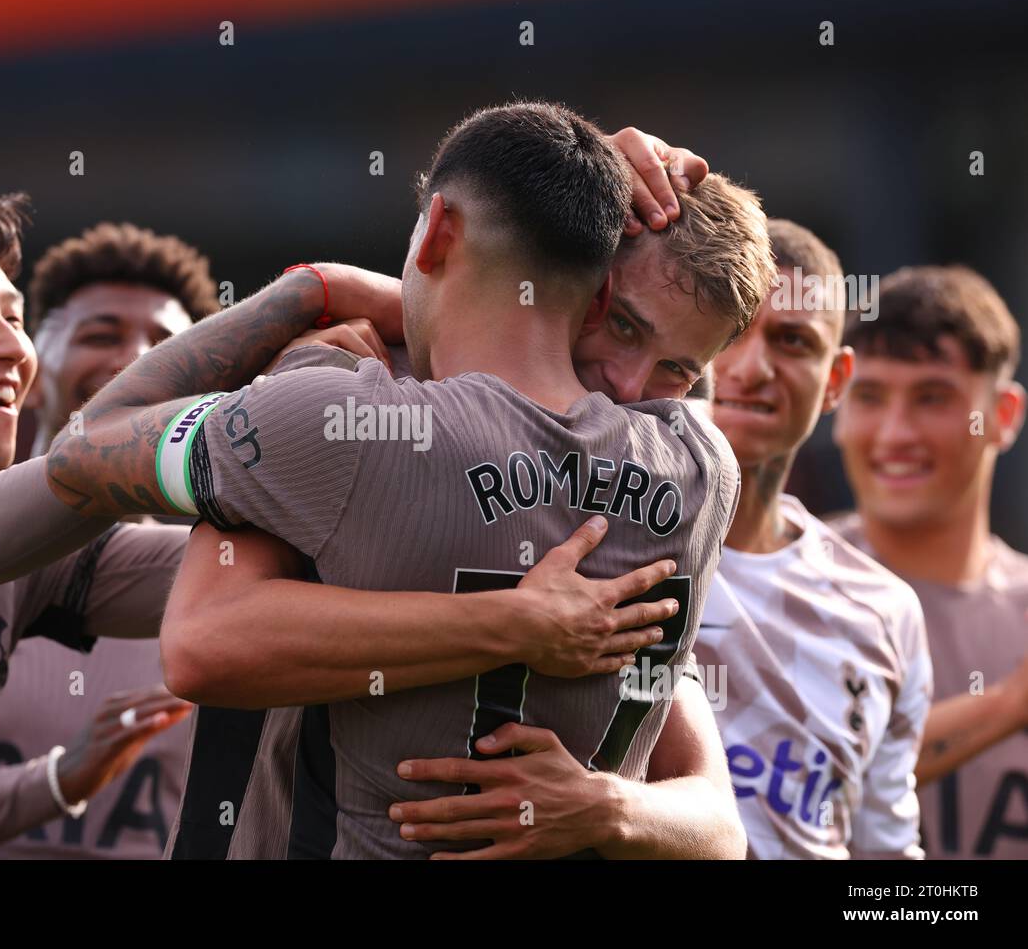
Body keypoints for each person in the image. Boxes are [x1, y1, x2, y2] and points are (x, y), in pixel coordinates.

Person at [48, 101, 766, 858]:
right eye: (619, 325)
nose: (627, 386)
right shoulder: (694, 464)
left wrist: (610, 807)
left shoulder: (345, 396)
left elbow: (715, 816)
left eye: (679, 371)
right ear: (572, 277)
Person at [0, 223, 220, 859]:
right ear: (27, 363)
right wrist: (61, 779)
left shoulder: (219, 592)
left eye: (166, 345)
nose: (137, 359)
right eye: (101, 334)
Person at [687, 219, 931, 858]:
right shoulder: (600, 536)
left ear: (836, 380)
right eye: (731, 331)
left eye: (792, 341)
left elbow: (887, 854)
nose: (753, 367)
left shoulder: (885, 612)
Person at [831, 264, 1028, 858]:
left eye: (932, 399)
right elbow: (796, 794)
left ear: (1003, 415)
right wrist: (1009, 705)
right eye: (869, 396)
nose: (895, 434)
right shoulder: (781, 581)